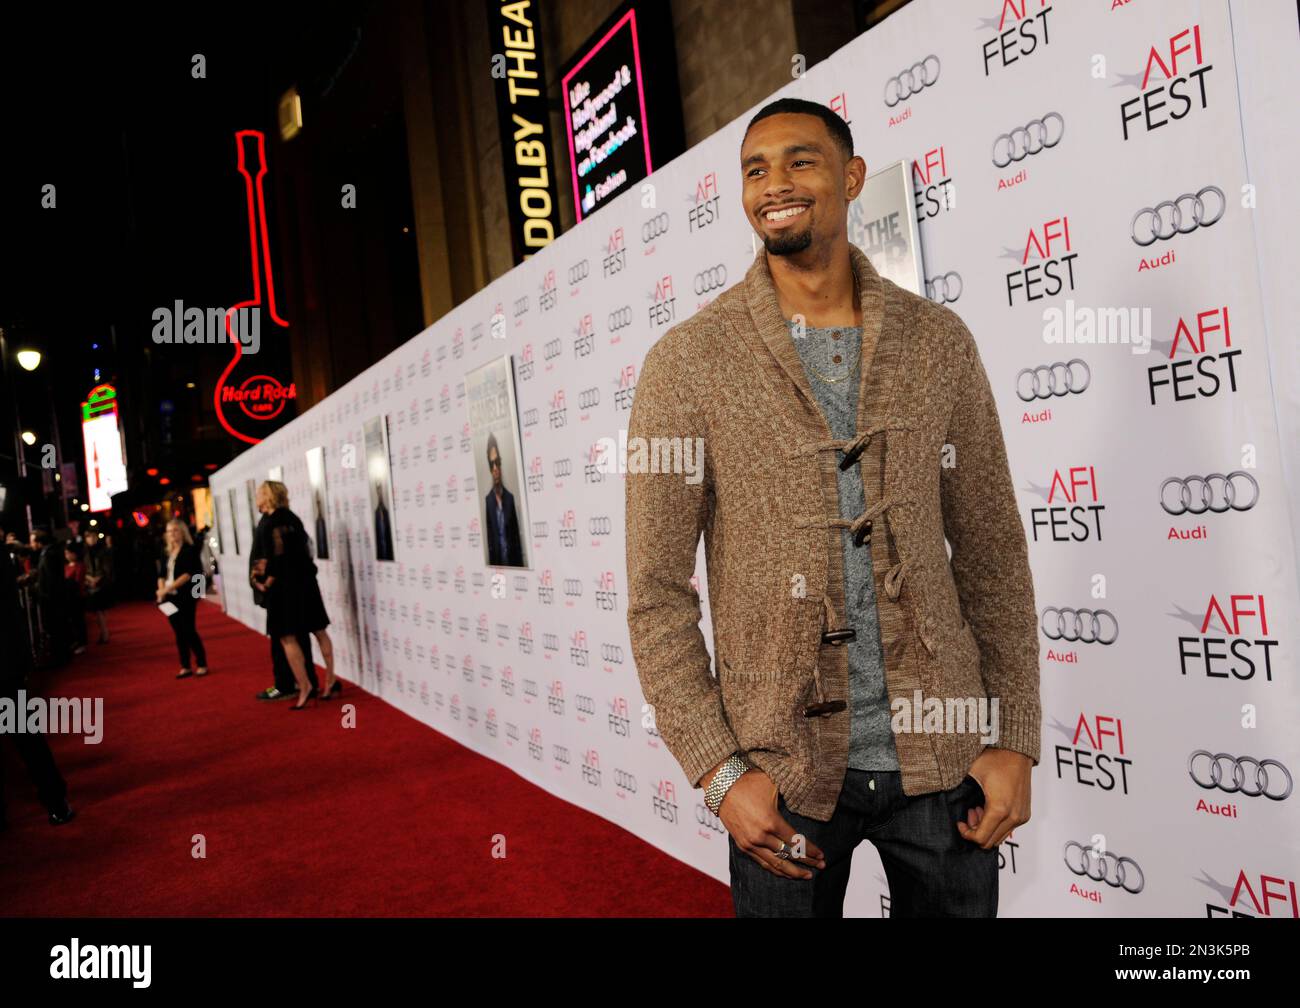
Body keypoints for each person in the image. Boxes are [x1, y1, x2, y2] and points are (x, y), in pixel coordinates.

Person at [625, 97, 1041, 918]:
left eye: (799, 161)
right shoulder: (686, 364)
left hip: (946, 757)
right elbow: (655, 594)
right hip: (781, 774)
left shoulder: (938, 342)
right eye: (754, 169)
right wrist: (718, 773)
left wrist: (1014, 736)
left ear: (851, 178)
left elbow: (992, 550)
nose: (773, 184)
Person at [0, 542, 75, 828]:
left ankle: (56, 800)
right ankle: (55, 801)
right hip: (10, 664)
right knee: (26, 738)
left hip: (6, 667)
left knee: (26, 737)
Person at [250, 481, 337, 710]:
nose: (256, 497)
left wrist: (264, 582)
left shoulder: (272, 522)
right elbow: (304, 551)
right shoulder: (292, 518)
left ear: (268, 496)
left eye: (259, 493)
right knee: (318, 630)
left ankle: (305, 687)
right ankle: (329, 680)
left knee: (287, 636)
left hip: (284, 589)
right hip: (306, 584)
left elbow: (277, 558)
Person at [156, 518, 208, 679]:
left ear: (182, 532)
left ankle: (201, 663)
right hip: (168, 598)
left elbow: (188, 574)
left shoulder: (189, 550)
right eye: (169, 531)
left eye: (175, 530)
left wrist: (167, 588)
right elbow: (161, 574)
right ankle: (185, 666)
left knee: (189, 630)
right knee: (178, 632)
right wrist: (161, 591)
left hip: (186, 596)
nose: (172, 534)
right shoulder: (167, 552)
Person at [483, 432, 523, 567]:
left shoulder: (510, 499)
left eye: (497, 462)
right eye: (491, 464)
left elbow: (517, 542)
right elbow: (490, 544)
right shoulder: (488, 502)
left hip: (514, 566)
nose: (495, 468)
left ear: (500, 463)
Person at [82, 529, 113, 644]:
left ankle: (104, 633)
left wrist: (98, 579)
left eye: (93, 537)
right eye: (89, 537)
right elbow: (84, 568)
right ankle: (104, 632)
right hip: (90, 583)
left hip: (102, 583)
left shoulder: (103, 551)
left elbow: (107, 568)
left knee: (100, 610)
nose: (91, 539)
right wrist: (89, 579)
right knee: (98, 611)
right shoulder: (84, 552)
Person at [62, 541, 87, 654]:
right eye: (65, 553)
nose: (66, 555)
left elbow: (77, 581)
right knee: (73, 620)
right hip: (68, 597)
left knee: (79, 620)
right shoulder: (65, 566)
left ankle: (82, 643)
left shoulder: (80, 565)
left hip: (77, 596)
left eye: (68, 553)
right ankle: (76, 642)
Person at [372, 480, 394, 561]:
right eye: (378, 491)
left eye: (380, 490)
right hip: (381, 552)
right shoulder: (376, 513)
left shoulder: (386, 512)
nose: (380, 493)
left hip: (388, 551)